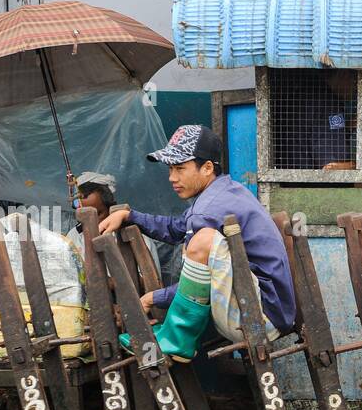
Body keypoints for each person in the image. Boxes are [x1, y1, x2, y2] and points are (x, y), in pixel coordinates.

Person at [97, 125, 296, 362]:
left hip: (258, 319)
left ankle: (177, 337)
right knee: (200, 241)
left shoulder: (206, 211)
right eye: (170, 168)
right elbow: (176, 229)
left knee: (203, 241)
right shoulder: (226, 190)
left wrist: (151, 298)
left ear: (207, 168)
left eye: (180, 168)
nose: (172, 177)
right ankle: (175, 334)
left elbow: (197, 281)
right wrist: (130, 216)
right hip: (274, 310)